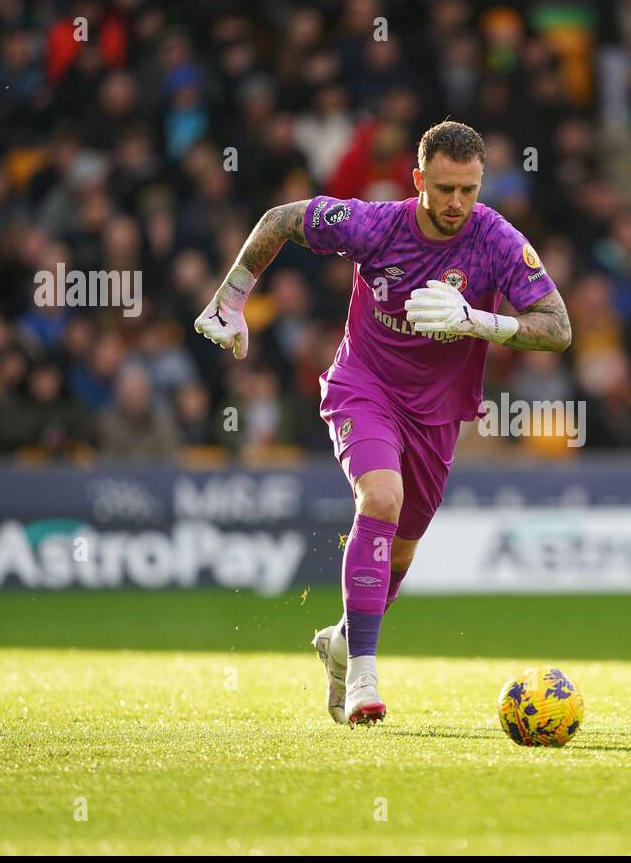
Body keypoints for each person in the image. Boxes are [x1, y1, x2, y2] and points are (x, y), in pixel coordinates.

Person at [193, 120, 572, 726]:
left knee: (401, 554)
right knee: (381, 495)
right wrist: (232, 298)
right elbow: (279, 220)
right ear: (418, 179)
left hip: (438, 414)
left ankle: (343, 642)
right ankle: (364, 675)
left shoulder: (497, 241)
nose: (457, 204)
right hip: (364, 387)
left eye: (469, 190)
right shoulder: (375, 226)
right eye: (445, 188)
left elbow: (558, 328)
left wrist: (481, 322)